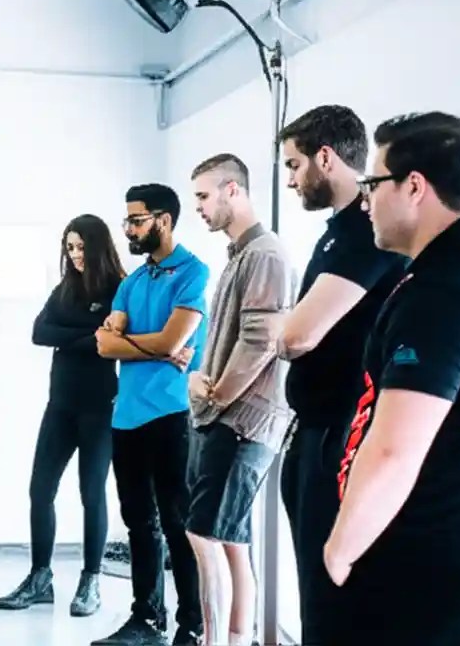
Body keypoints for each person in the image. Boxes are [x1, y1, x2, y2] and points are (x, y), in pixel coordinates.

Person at [325, 112, 460, 645]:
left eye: (373, 183)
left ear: (414, 186)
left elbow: (396, 451)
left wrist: (339, 550)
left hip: (421, 561)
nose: (365, 200)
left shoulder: (444, 291)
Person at [272, 105, 409, 644]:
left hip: (342, 435)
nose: (290, 179)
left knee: (331, 598)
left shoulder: (362, 233)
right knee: (314, 589)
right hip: (314, 430)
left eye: (293, 164)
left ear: (325, 158)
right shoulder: (337, 233)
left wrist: (283, 324)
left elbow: (295, 334)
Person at [185, 154, 296, 646]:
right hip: (228, 416)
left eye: (204, 197)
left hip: (243, 421)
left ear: (233, 191)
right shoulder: (239, 256)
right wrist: (201, 383)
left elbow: (260, 339)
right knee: (230, 539)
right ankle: (234, 638)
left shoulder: (266, 254)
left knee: (203, 535)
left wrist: (214, 394)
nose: (200, 209)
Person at [91, 184, 206, 646]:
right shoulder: (131, 282)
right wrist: (158, 346)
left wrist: (160, 346)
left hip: (172, 416)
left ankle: (191, 626)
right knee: (139, 522)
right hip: (126, 418)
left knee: (178, 525)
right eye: (127, 221)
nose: (129, 230)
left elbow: (172, 342)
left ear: (163, 220)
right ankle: (147, 618)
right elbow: (105, 342)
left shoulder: (193, 272)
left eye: (136, 221)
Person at [0, 214, 126, 617]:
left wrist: (76, 338)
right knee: (40, 490)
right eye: (69, 247)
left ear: (98, 246)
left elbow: (110, 343)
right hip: (60, 406)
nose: (75, 255)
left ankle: (91, 581)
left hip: (99, 408)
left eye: (81, 247)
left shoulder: (118, 288)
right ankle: (41, 577)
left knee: (92, 494)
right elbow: (39, 332)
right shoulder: (65, 287)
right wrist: (87, 337)